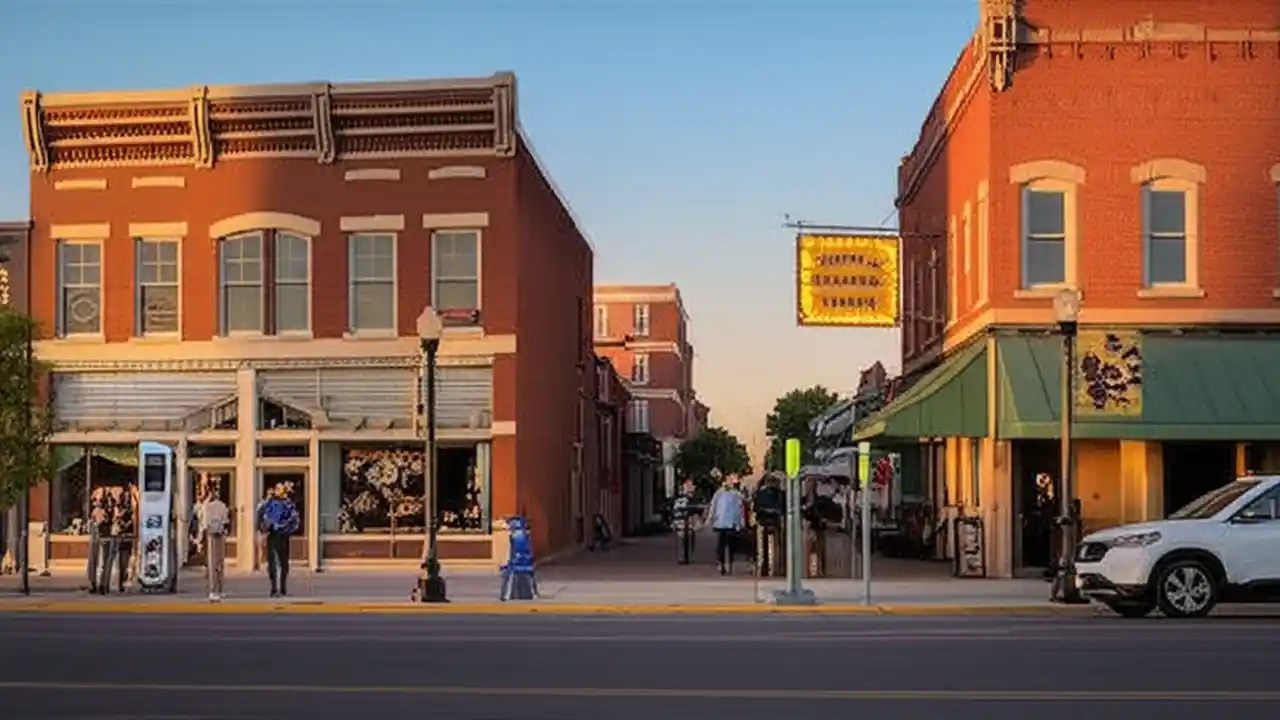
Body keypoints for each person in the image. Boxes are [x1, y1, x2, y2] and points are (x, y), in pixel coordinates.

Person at [256, 484, 300, 598]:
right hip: (276, 535)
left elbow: (294, 521)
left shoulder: (284, 505)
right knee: (275, 563)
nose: (281, 492)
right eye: (279, 489)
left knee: (281, 562)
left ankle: (279, 587)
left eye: (282, 490)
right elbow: (261, 519)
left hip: (280, 536)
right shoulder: (271, 504)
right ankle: (276, 587)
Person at [705, 473, 747, 576]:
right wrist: (710, 518)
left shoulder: (736, 494)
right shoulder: (719, 493)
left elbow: (741, 507)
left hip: (731, 522)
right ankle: (722, 563)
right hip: (721, 522)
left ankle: (729, 564)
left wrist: (741, 522)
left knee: (730, 544)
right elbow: (713, 506)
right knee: (721, 544)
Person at [200, 487, 231, 602]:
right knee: (220, 563)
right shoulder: (222, 506)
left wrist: (200, 538)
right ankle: (221, 589)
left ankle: (213, 591)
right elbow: (226, 520)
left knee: (212, 564)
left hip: (211, 535)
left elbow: (204, 523)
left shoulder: (207, 506)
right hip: (220, 534)